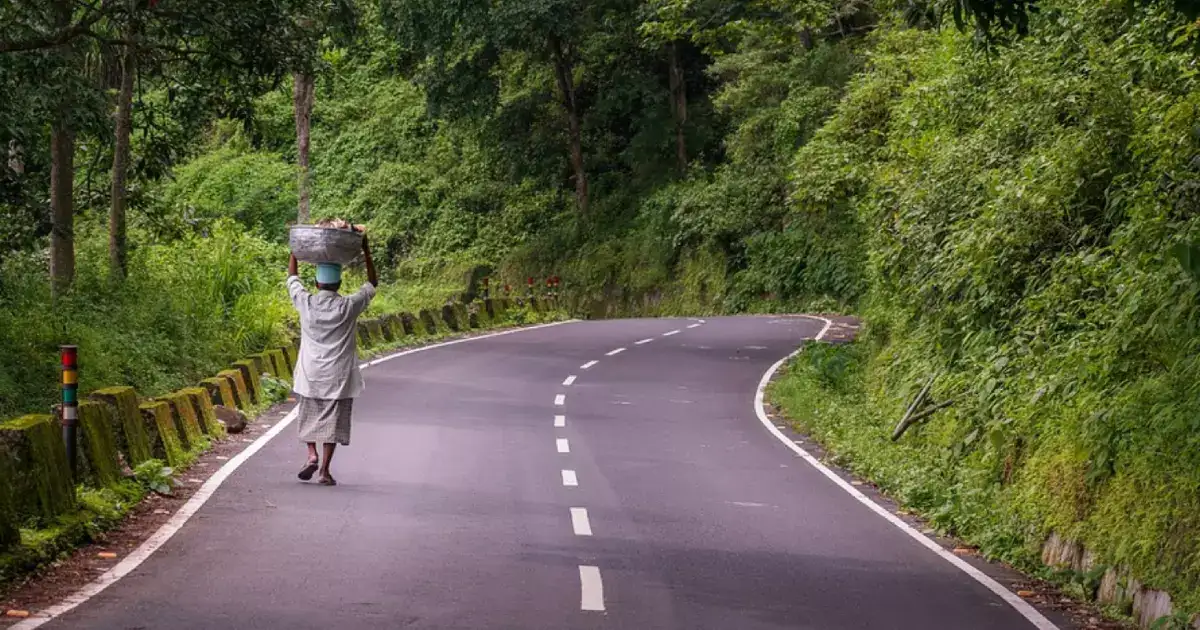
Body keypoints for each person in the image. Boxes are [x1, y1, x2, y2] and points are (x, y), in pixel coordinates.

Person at [286, 232, 378, 486]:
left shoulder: (306, 303)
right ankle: (325, 471)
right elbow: (372, 285)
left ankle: (311, 453)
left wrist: (296, 248)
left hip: (310, 372)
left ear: (316, 284)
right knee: (333, 423)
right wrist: (367, 251)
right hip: (338, 375)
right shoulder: (348, 307)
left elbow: (292, 278)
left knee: (308, 415)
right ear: (338, 284)